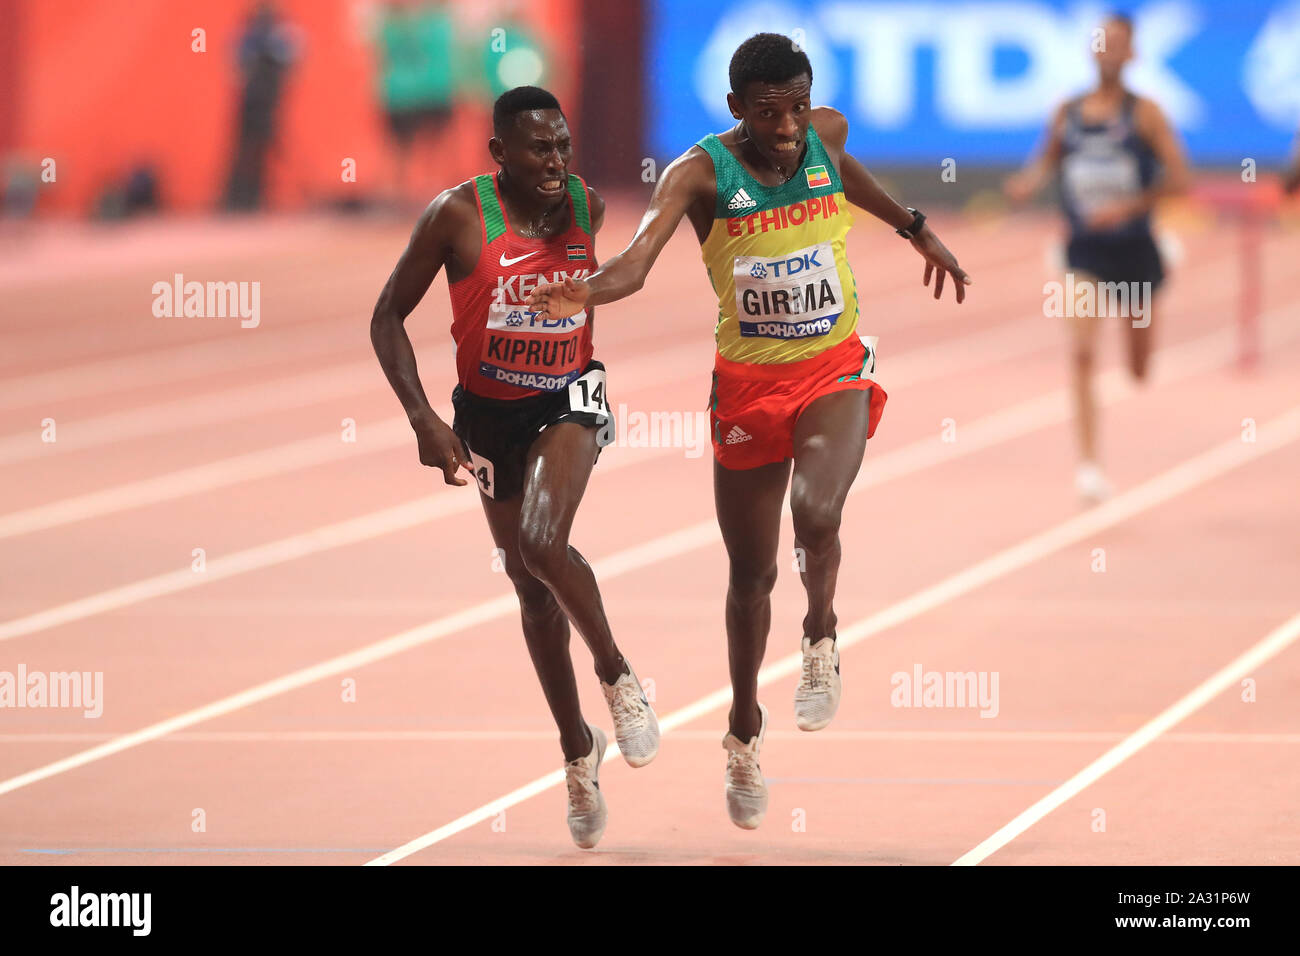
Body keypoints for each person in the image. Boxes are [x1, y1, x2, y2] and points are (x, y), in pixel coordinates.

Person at [528, 34, 970, 830]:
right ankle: (742, 732)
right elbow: (633, 263)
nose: (791, 128)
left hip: (833, 367)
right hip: (747, 389)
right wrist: (583, 293)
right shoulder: (698, 173)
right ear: (736, 109)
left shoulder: (822, 136)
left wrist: (915, 226)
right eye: (771, 115)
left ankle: (822, 637)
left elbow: (847, 172)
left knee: (819, 512)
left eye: (799, 108)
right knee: (750, 579)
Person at [370, 86, 659, 849]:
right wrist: (425, 419)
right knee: (529, 590)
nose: (556, 162)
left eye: (563, 146)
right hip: (488, 415)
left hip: (569, 396)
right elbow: (386, 316)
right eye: (539, 149)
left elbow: (610, 279)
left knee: (540, 540)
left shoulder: (585, 209)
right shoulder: (456, 218)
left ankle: (619, 675)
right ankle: (576, 750)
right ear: (499, 154)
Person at [1004, 12, 1189, 501]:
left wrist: (1127, 209)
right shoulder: (1067, 111)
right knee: (1083, 353)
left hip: (1136, 251)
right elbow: (1046, 158)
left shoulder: (1146, 113)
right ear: (1092, 49)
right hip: (1083, 249)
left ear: (1132, 54)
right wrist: (1026, 185)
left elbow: (1180, 179)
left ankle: (1164, 259)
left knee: (1138, 370)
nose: (1108, 50)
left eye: (1118, 43)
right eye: (1101, 42)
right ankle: (1088, 466)